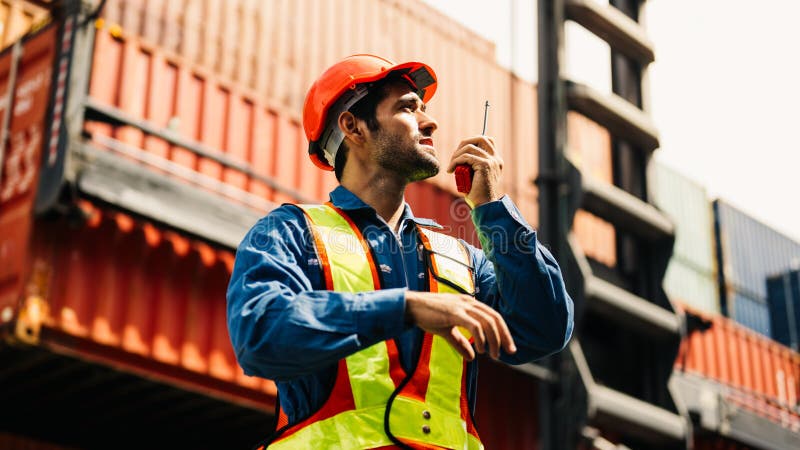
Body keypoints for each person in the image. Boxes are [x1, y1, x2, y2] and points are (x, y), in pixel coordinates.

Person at [226, 54, 574, 450]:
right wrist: (405, 308)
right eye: (409, 108)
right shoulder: (290, 232)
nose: (431, 122)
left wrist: (493, 209)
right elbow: (258, 335)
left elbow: (544, 329)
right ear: (353, 127)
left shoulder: (460, 260)